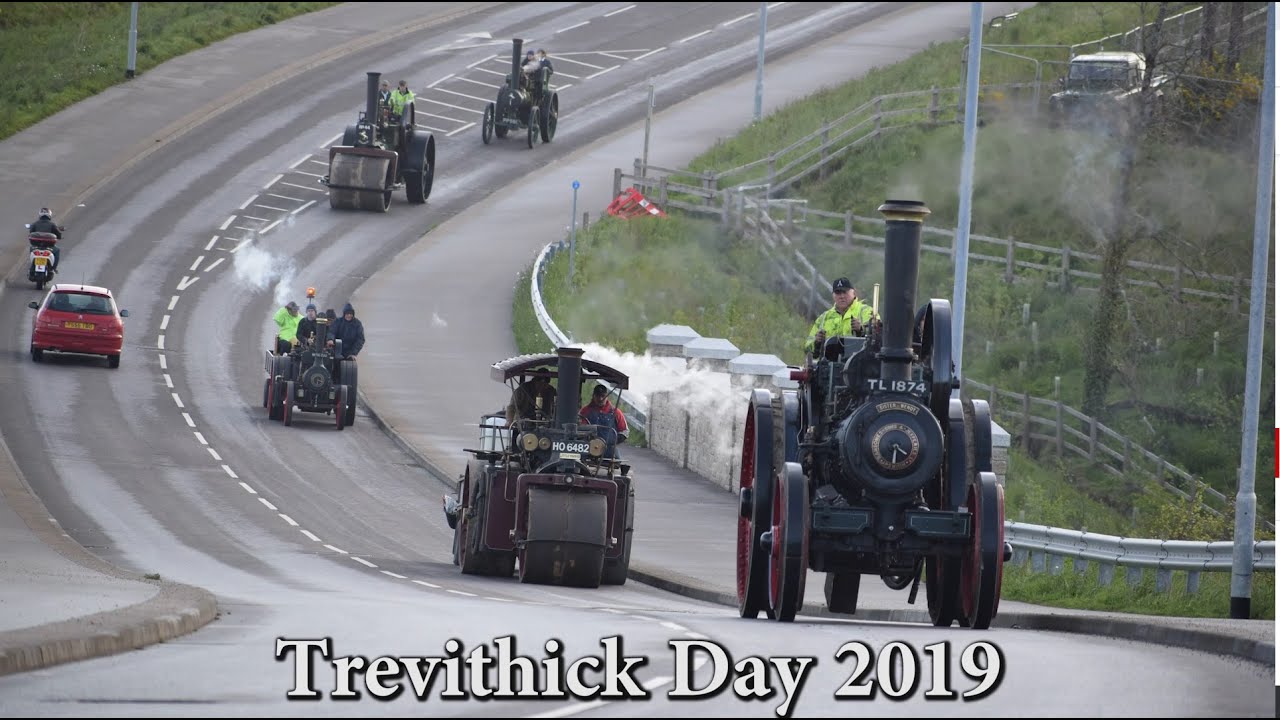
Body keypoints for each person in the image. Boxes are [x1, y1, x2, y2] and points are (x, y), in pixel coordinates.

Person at [805, 277, 875, 356]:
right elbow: (807, 348)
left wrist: (861, 330)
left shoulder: (866, 312)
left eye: (845, 292)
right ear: (833, 295)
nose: (842, 296)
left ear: (854, 293)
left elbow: (877, 340)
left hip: (857, 365)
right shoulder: (824, 317)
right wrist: (817, 342)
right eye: (838, 293)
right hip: (828, 366)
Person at [579, 384, 628, 459]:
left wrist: (613, 442)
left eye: (603, 396)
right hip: (588, 448)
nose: (601, 399)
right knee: (577, 458)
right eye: (598, 396)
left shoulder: (616, 412)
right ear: (593, 396)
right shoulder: (585, 411)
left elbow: (624, 431)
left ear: (607, 396)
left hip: (608, 449)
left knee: (617, 460)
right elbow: (580, 429)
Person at [28, 207, 62, 272]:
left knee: (31, 249)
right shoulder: (52, 224)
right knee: (57, 250)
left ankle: (32, 266)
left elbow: (31, 232)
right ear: (49, 215)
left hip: (37, 246)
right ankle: (54, 268)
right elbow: (58, 234)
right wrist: (59, 237)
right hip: (49, 246)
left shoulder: (35, 223)